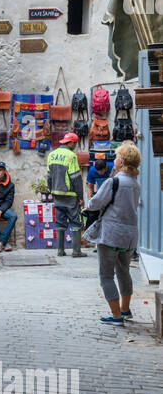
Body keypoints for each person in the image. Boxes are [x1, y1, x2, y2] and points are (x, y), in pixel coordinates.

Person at [84, 140, 141, 324]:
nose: (114, 160)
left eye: (116, 157)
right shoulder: (135, 184)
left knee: (106, 275)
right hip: (130, 236)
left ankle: (116, 316)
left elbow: (96, 202)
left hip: (111, 235)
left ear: (122, 162)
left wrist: (88, 207)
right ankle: (125, 310)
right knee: (124, 272)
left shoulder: (113, 181)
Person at [46, 130, 84, 258]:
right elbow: (76, 178)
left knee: (60, 222)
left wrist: (52, 191)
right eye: (75, 144)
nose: (75, 146)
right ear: (72, 143)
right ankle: (76, 251)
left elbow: (49, 177)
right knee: (75, 221)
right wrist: (80, 197)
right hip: (70, 194)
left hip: (56, 193)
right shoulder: (71, 156)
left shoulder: (52, 155)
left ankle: (60, 250)